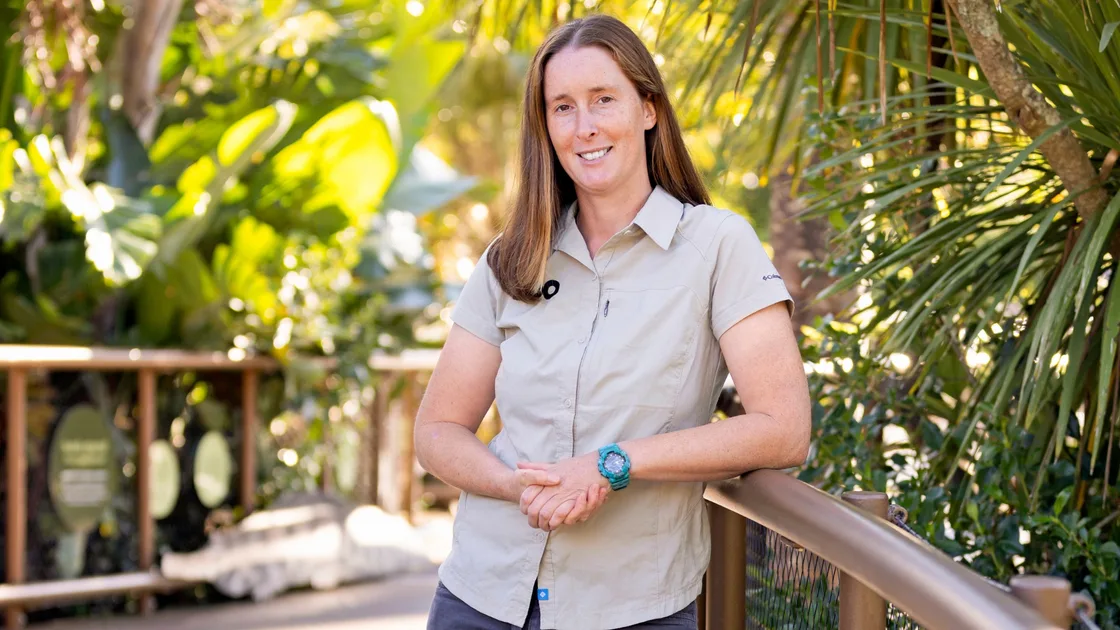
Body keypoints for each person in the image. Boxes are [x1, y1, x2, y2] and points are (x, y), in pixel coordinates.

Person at [414, 13, 811, 630]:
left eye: (604, 99)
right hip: (481, 594)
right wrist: (515, 486)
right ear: (544, 126)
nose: (585, 127)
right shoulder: (512, 256)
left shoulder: (718, 246)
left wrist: (611, 464)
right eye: (563, 107)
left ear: (649, 108)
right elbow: (438, 429)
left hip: (633, 610)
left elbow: (783, 429)